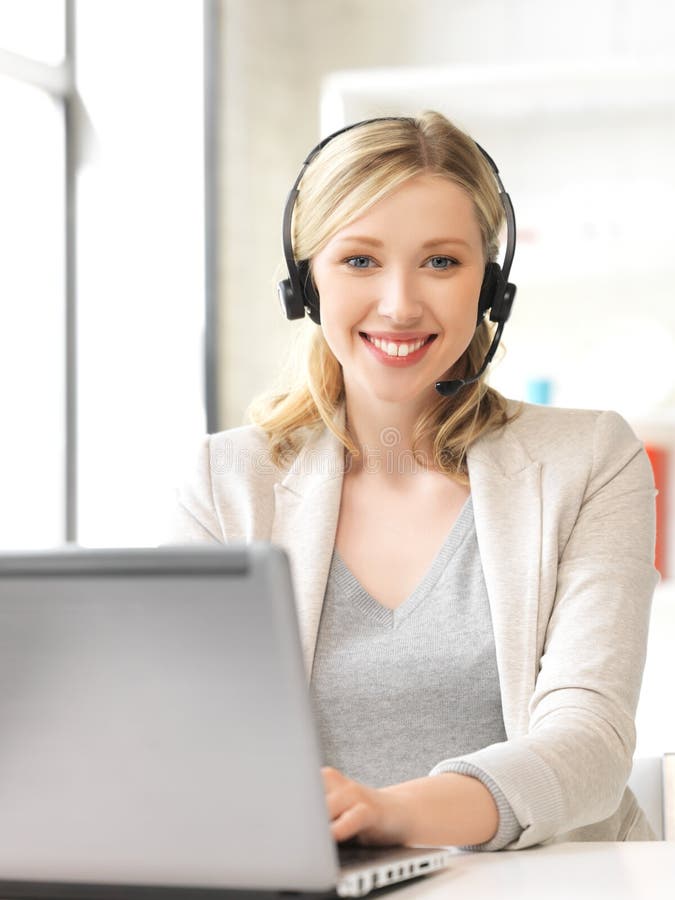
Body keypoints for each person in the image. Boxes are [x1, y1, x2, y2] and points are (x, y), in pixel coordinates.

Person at [168, 112, 658, 850]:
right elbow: (187, 734)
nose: (399, 304)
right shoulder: (226, 481)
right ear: (305, 284)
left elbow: (588, 743)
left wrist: (390, 813)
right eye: (359, 261)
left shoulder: (588, 459)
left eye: (440, 262)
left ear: (490, 288)